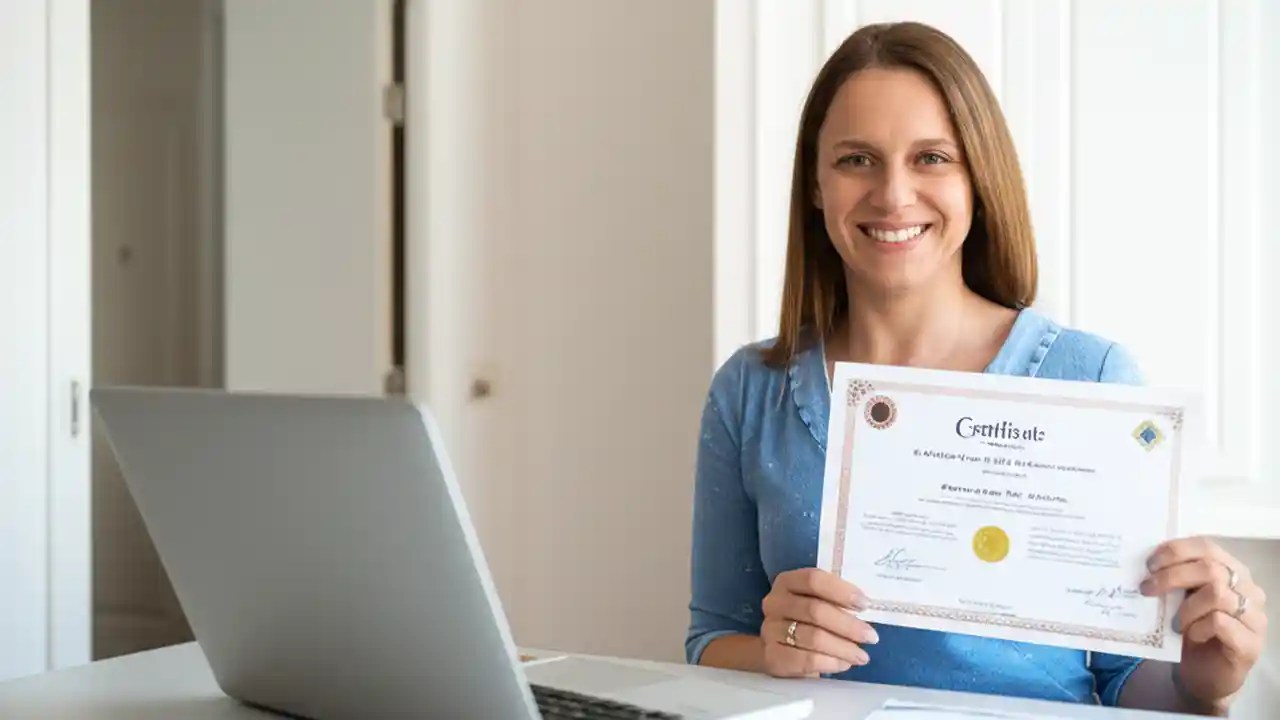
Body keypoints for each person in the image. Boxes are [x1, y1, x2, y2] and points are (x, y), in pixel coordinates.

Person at [685, 21, 1267, 716]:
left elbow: (1122, 682)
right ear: (814, 184)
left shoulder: (1093, 379)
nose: (894, 195)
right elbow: (711, 639)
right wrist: (771, 652)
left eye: (931, 157)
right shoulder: (750, 390)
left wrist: (1204, 680)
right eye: (856, 160)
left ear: (977, 177)